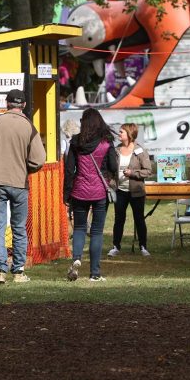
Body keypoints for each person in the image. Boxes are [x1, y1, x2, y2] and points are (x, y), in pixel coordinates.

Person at [0, 89, 46, 285]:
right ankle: (19, 272)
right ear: (23, 105)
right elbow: (39, 159)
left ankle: (0, 271)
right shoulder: (29, 127)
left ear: (6, 103)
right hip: (20, 184)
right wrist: (26, 168)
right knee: (19, 228)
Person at [64, 108, 118, 281]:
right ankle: (95, 273)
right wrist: (109, 178)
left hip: (79, 191)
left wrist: (67, 194)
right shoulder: (106, 142)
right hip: (100, 192)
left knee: (79, 228)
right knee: (96, 232)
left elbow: (69, 170)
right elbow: (113, 166)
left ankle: (77, 258)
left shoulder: (75, 142)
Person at [108, 123, 152, 257]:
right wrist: (111, 183)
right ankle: (116, 246)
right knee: (119, 219)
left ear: (129, 134)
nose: (119, 134)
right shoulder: (115, 150)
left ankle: (143, 246)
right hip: (120, 191)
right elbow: (110, 169)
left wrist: (132, 173)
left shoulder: (140, 150)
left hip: (136, 191)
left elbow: (148, 171)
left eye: (121, 132)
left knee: (139, 219)